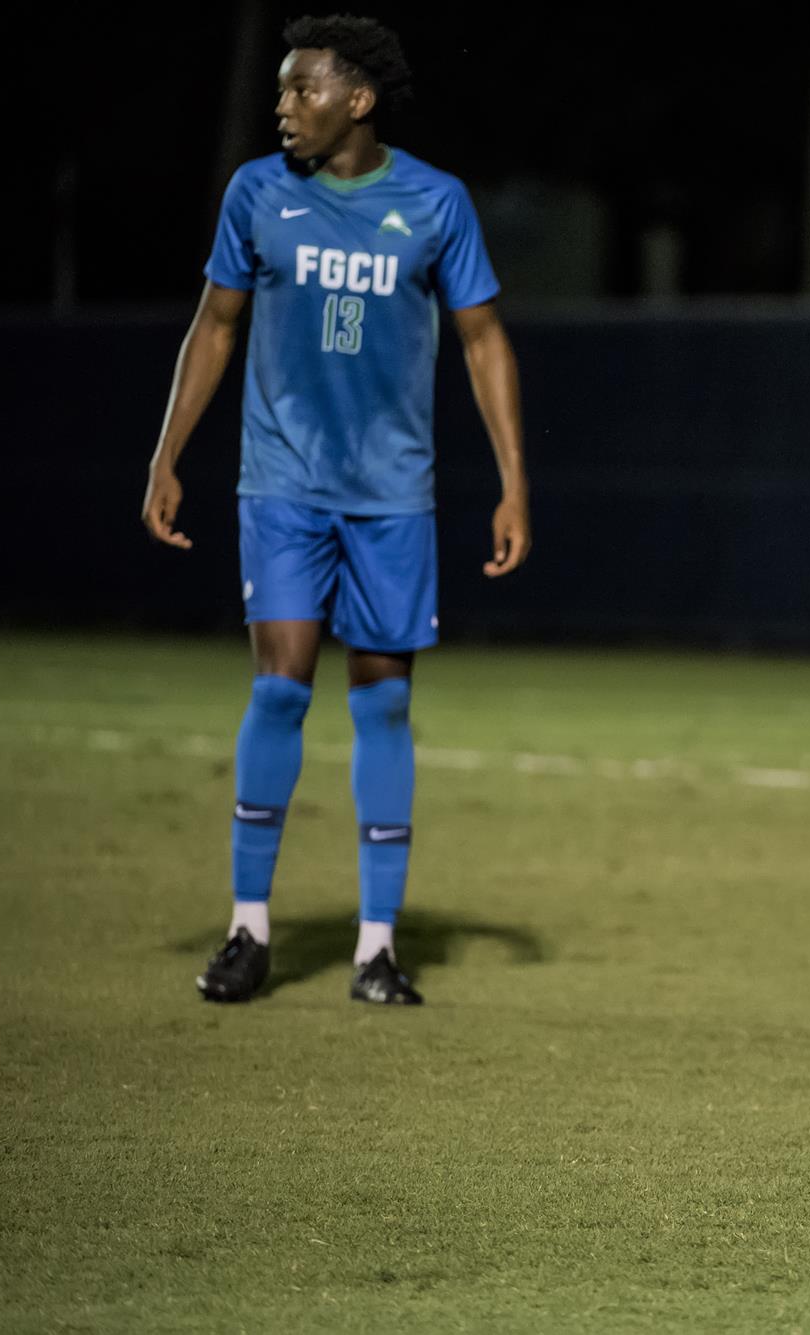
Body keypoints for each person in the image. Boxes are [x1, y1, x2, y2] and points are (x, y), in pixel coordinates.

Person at [140, 14, 530, 1005]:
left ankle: (375, 949)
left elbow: (484, 341)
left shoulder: (434, 201)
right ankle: (248, 932)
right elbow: (216, 325)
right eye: (278, 91)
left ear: (356, 99)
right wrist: (168, 453)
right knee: (279, 689)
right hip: (281, 484)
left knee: (384, 701)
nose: (282, 109)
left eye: (300, 90)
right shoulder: (257, 194)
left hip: (392, 495)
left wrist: (513, 480)